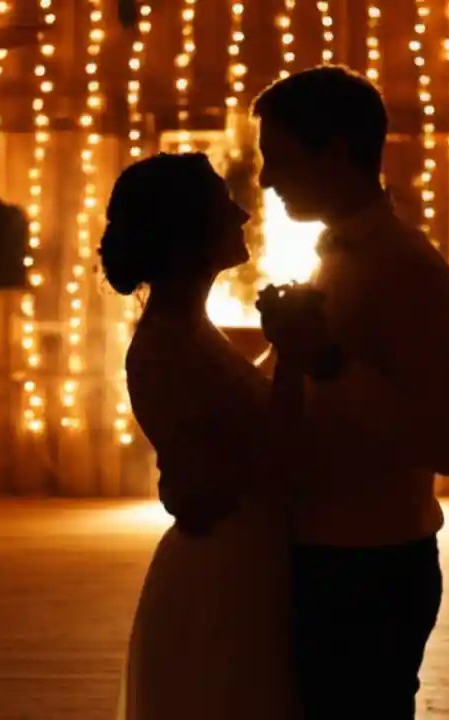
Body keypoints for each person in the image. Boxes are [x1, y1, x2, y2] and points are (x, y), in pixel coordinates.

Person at [253, 66, 449, 719]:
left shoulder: (407, 268)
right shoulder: (334, 257)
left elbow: (447, 440)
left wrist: (326, 360)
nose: (265, 179)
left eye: (279, 159)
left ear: (338, 152)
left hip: (372, 566)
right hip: (328, 553)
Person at [103, 153, 305, 720]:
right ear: (188, 230)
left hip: (244, 560)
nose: (242, 213)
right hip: (224, 574)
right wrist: (293, 350)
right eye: (224, 204)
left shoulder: (189, 328)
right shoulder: (169, 346)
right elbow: (263, 457)